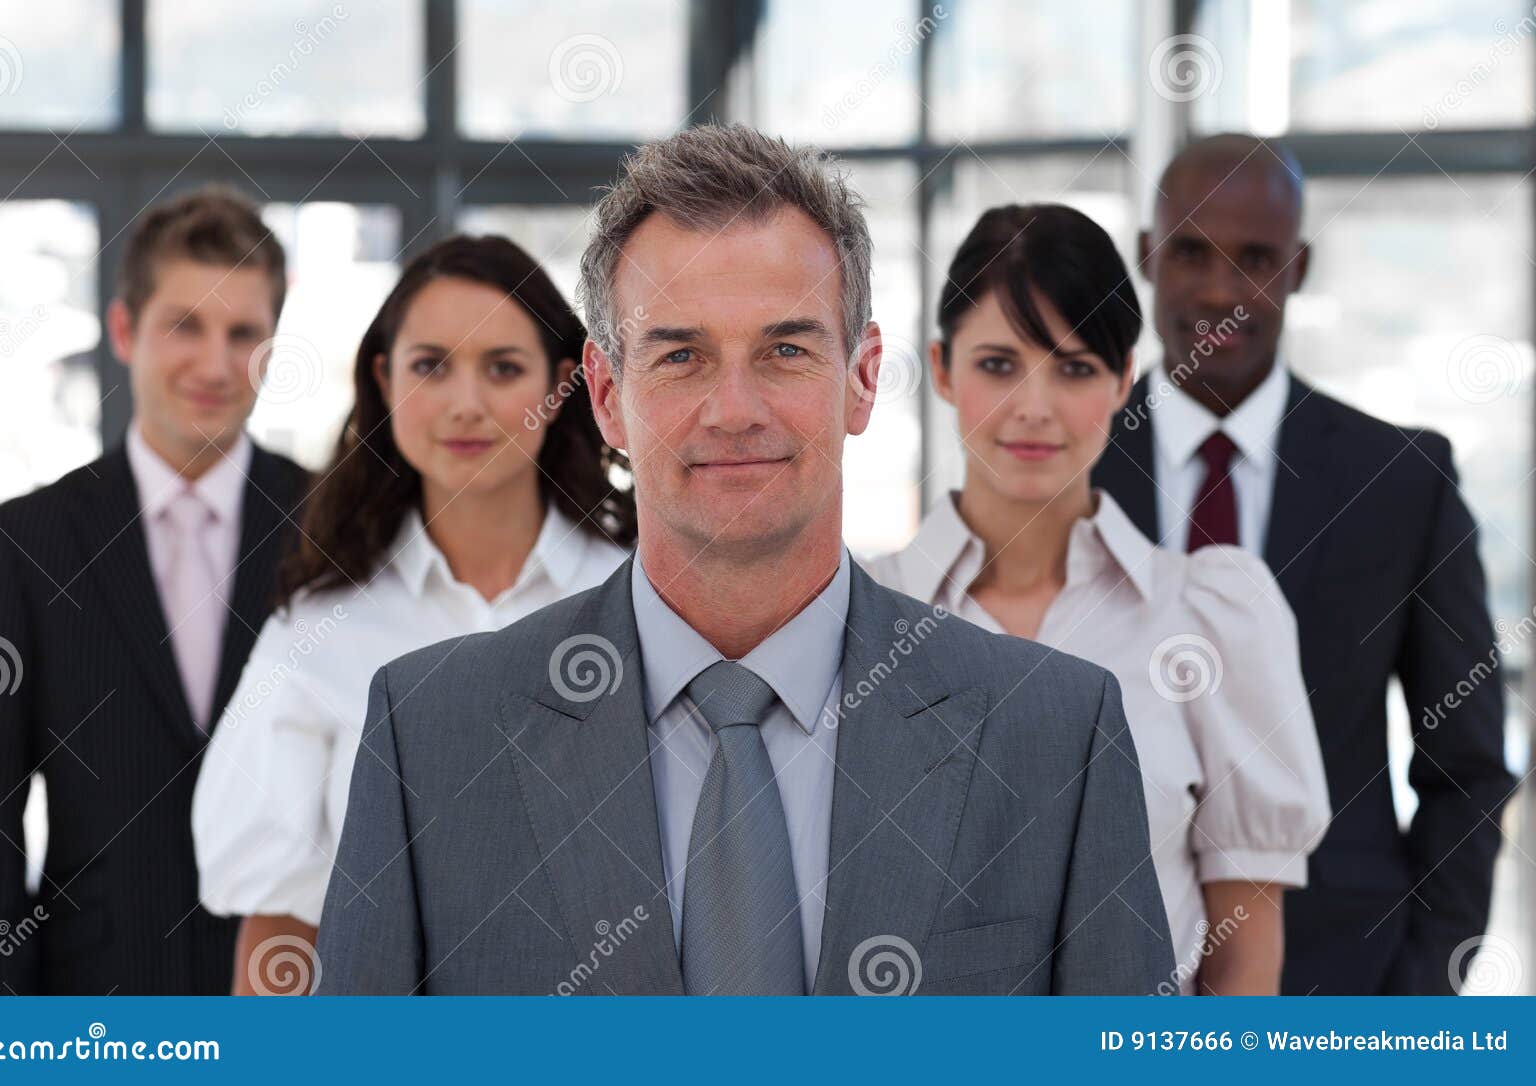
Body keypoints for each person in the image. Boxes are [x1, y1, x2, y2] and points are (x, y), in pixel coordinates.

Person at [314, 124, 1174, 996]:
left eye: (786, 351)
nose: (734, 410)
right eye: (681, 355)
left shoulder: (1056, 735)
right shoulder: (430, 739)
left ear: (863, 379)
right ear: (608, 396)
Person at [867, 203, 1330, 994]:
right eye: (999, 364)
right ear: (942, 371)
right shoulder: (859, 613)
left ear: (1123, 381)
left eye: (1075, 367)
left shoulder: (1212, 618)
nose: (1035, 407)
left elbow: (1244, 956)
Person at [1093, 134, 1514, 995]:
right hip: (1098, 978)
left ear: (1301, 266)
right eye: (1191, 254)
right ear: (1147, 257)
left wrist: (1419, 996)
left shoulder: (1401, 482)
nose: (1218, 291)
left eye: (1255, 259)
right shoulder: (1067, 472)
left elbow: (1464, 773)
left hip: (1343, 982)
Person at [192, 235, 634, 995]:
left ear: (563, 386)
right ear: (384, 379)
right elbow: (278, 930)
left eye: (503, 368)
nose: (466, 403)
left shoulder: (643, 597)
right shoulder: (318, 631)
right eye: (432, 365)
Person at [0, 188, 307, 994]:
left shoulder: (331, 529)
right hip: (95, 1005)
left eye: (242, 332)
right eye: (186, 325)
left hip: (295, 1003)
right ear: (123, 330)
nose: (215, 364)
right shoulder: (29, 542)